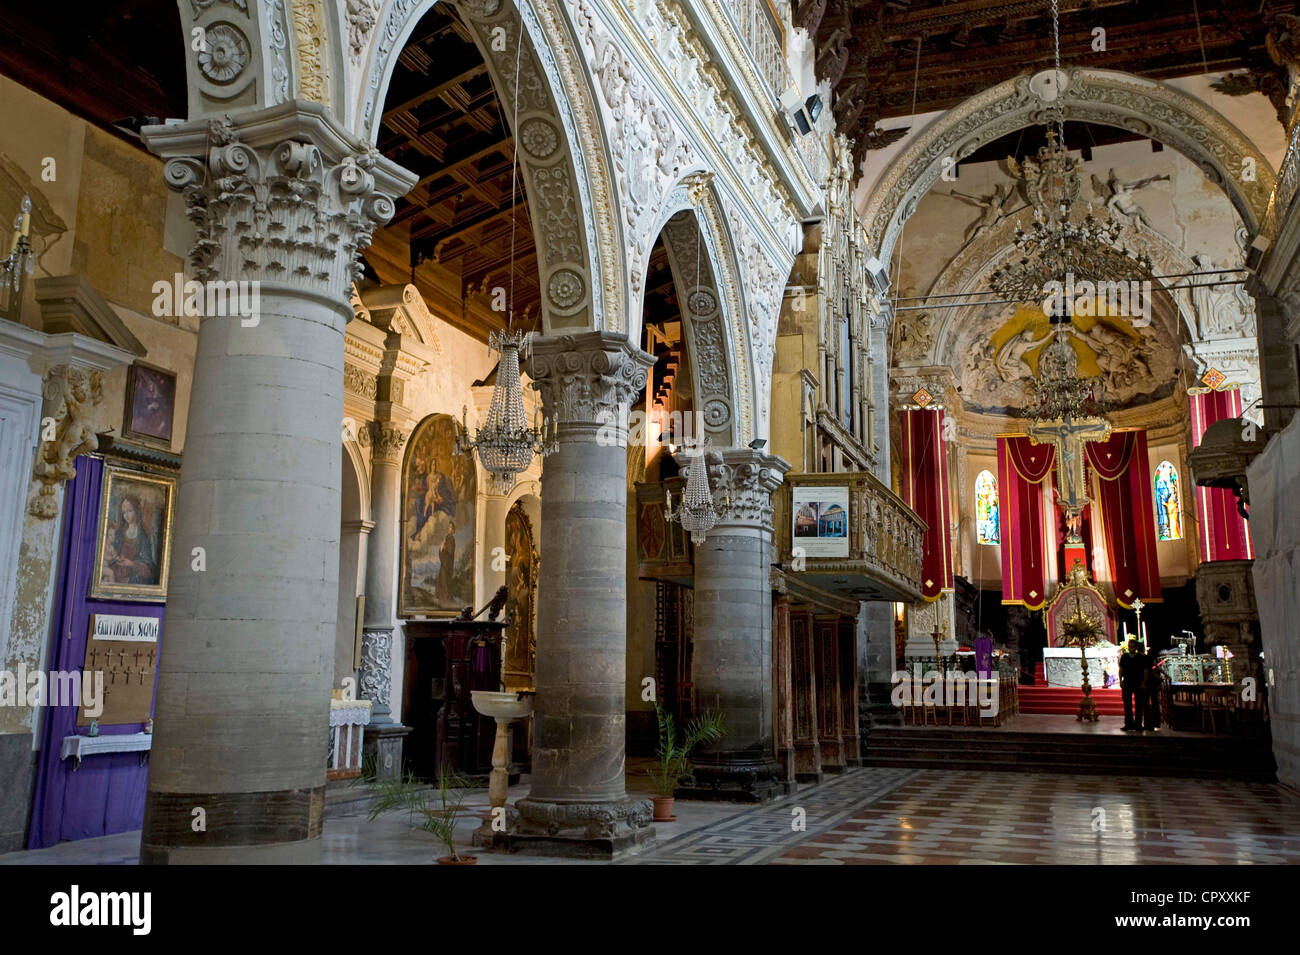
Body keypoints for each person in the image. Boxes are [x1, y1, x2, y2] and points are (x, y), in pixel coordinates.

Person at [1119, 639, 1149, 731]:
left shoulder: (1141, 657)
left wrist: (1144, 682)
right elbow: (1121, 669)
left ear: (1136, 647)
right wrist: (1120, 680)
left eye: (1133, 646)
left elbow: (1145, 670)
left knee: (1139, 704)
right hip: (1127, 682)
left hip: (1138, 683)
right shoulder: (1124, 657)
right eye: (1130, 646)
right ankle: (1128, 724)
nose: (1131, 648)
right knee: (1127, 704)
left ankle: (1138, 724)